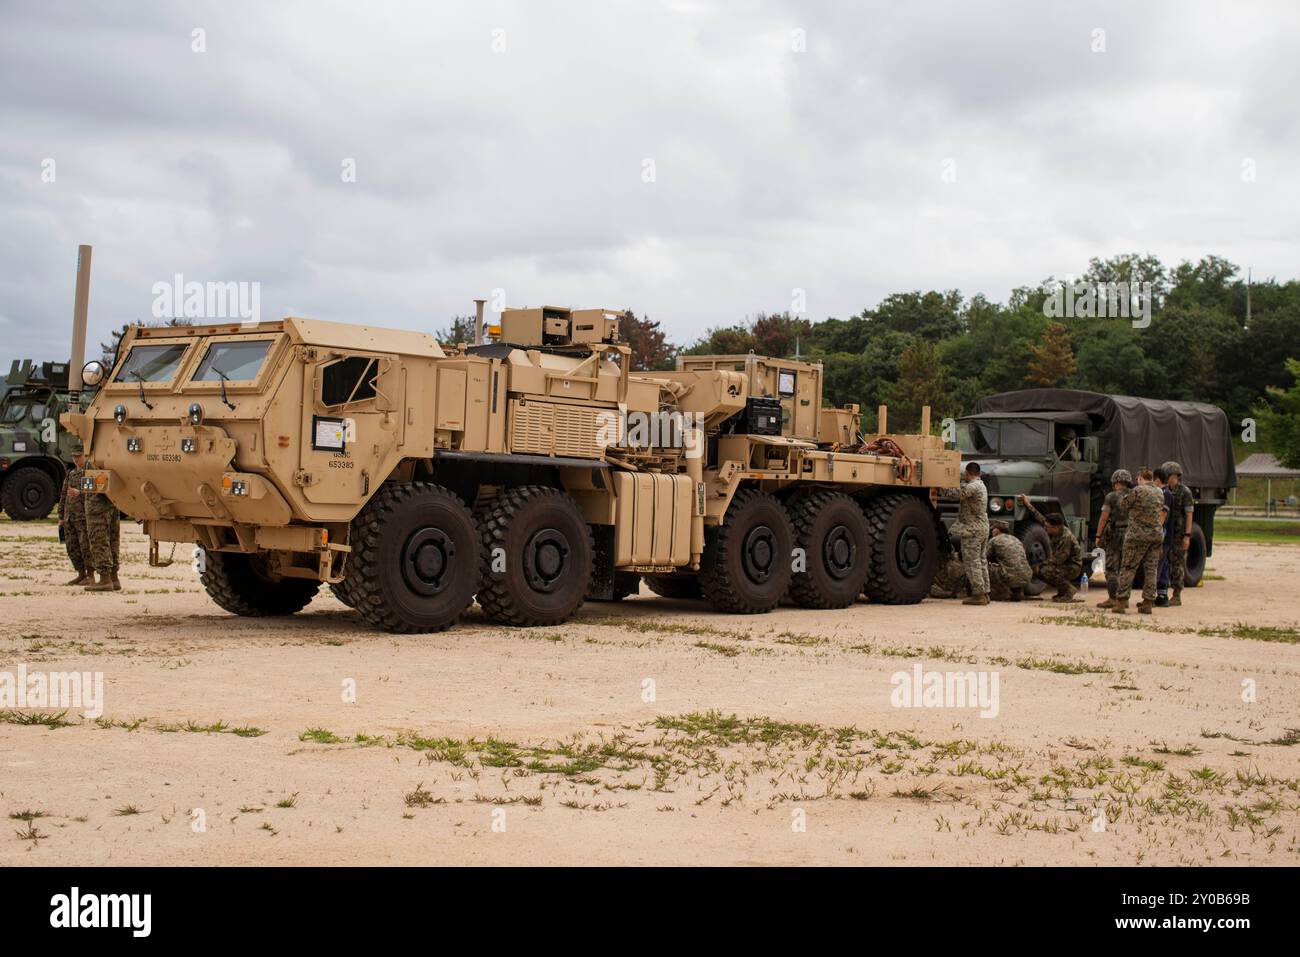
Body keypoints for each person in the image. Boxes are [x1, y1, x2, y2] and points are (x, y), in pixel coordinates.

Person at [1111, 467, 1168, 614]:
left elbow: (1123, 505)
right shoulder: (1159, 492)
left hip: (1137, 535)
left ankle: (1122, 601)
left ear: (1141, 478)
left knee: (1128, 568)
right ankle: (1148, 602)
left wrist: (1123, 494)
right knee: (1151, 569)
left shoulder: (1138, 490)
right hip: (1156, 535)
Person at [1017, 494, 1083, 601]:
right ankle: (1062, 592)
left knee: (1045, 571)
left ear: (1056, 527)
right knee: (1039, 570)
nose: (1045, 528)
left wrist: (1039, 565)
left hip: (1073, 566)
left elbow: (1058, 560)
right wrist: (1028, 505)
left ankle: (1069, 590)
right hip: (1064, 565)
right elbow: (1039, 517)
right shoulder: (1054, 528)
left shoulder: (1066, 537)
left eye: (1047, 527)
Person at [945, 462, 990, 606]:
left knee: (972, 561)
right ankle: (985, 592)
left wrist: (940, 484)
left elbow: (955, 495)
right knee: (981, 560)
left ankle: (978, 594)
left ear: (967, 473)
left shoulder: (973, 486)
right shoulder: (981, 485)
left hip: (973, 529)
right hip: (982, 527)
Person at [1094, 469, 1132, 608]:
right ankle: (1124, 599)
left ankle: (1113, 598)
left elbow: (1104, 517)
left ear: (1115, 482)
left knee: (1111, 568)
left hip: (1115, 534)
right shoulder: (1134, 495)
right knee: (1126, 568)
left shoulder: (1111, 496)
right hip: (1131, 534)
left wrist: (1098, 535)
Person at [1162, 461, 1194, 606]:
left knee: (1177, 564)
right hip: (1165, 533)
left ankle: (1176, 594)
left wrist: (1187, 535)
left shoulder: (1185, 492)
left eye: (1174, 476)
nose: (1172, 479)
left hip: (1178, 534)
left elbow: (1189, 515)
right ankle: (1162, 593)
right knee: (1163, 563)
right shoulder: (1162, 491)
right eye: (1170, 476)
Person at [83, 475, 122, 592]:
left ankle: (105, 579)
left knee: (98, 540)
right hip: (113, 501)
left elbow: (90, 483)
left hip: (97, 505)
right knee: (113, 540)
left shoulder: (93, 460)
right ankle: (114, 578)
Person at [59, 449, 92, 586]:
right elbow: (63, 495)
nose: (75, 459)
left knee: (85, 546)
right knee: (72, 546)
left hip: (82, 517)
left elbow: (93, 492)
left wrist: (79, 492)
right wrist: (61, 515)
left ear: (84, 456)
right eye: (73, 457)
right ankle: (80, 574)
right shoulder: (71, 474)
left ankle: (90, 575)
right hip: (69, 516)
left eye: (78, 456)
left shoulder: (88, 473)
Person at [987, 520, 1033, 601]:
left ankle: (1001, 593)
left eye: (992, 529)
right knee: (1011, 566)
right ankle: (1017, 592)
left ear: (997, 530)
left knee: (983, 566)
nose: (991, 531)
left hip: (1009, 576)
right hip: (1026, 576)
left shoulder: (994, 540)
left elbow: (985, 556)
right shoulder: (1016, 539)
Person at [1152, 467, 1174, 606]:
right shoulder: (1168, 493)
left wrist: (1156, 531)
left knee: (1157, 565)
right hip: (1167, 536)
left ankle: (1150, 596)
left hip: (1163, 536)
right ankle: (1162, 595)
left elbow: (1163, 514)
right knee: (1164, 564)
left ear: (1158, 480)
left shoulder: (1165, 494)